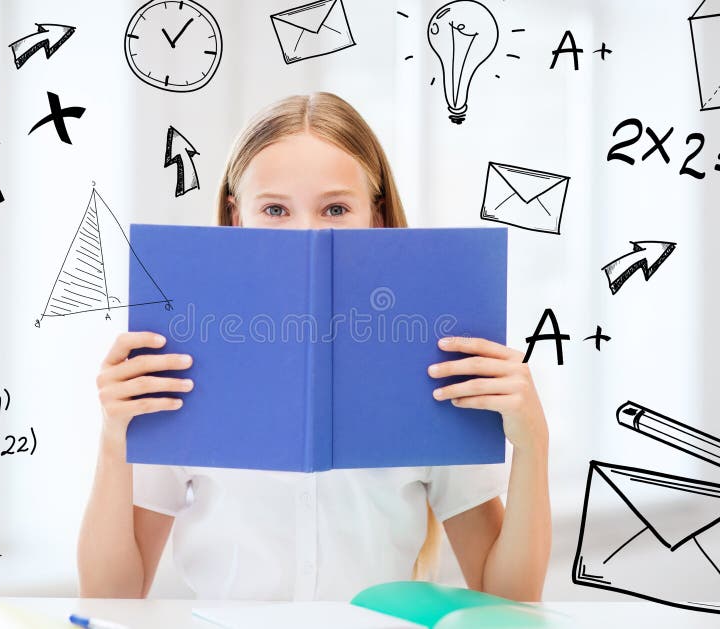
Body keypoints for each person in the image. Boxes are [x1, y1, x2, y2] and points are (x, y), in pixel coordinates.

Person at [77, 92, 551, 601]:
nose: (306, 233)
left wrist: (532, 445)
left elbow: (509, 598)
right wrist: (113, 439)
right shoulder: (181, 363)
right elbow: (112, 596)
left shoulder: (435, 362)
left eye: (335, 208)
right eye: (276, 208)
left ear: (377, 214)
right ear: (238, 217)